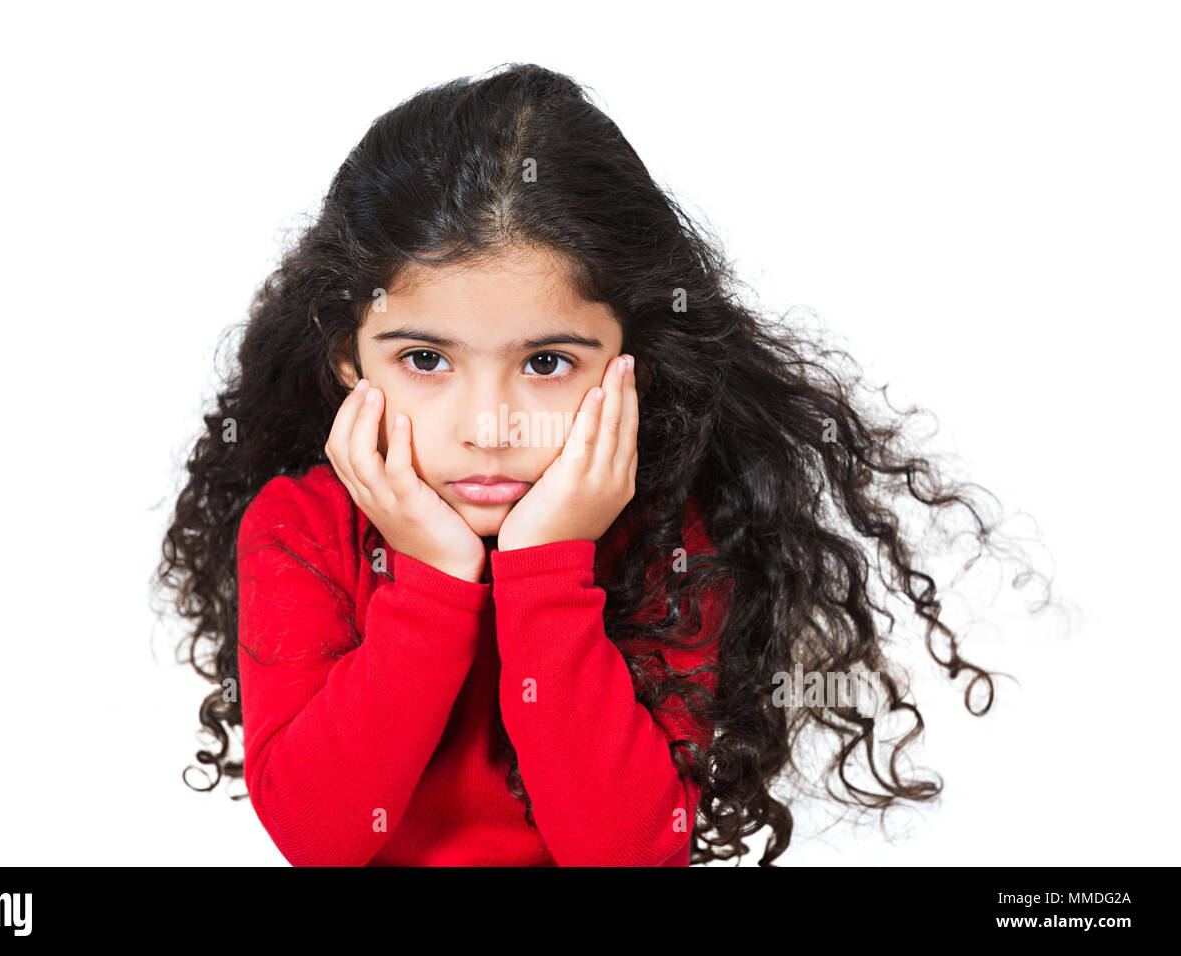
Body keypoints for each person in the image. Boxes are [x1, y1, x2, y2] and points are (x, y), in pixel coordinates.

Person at [158, 62, 1052, 866]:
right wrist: (432, 582)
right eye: (425, 360)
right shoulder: (301, 529)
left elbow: (619, 853)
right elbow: (325, 837)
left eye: (547, 363)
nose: (488, 426)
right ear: (349, 362)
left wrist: (545, 577)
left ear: (633, 366)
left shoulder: (671, 532)